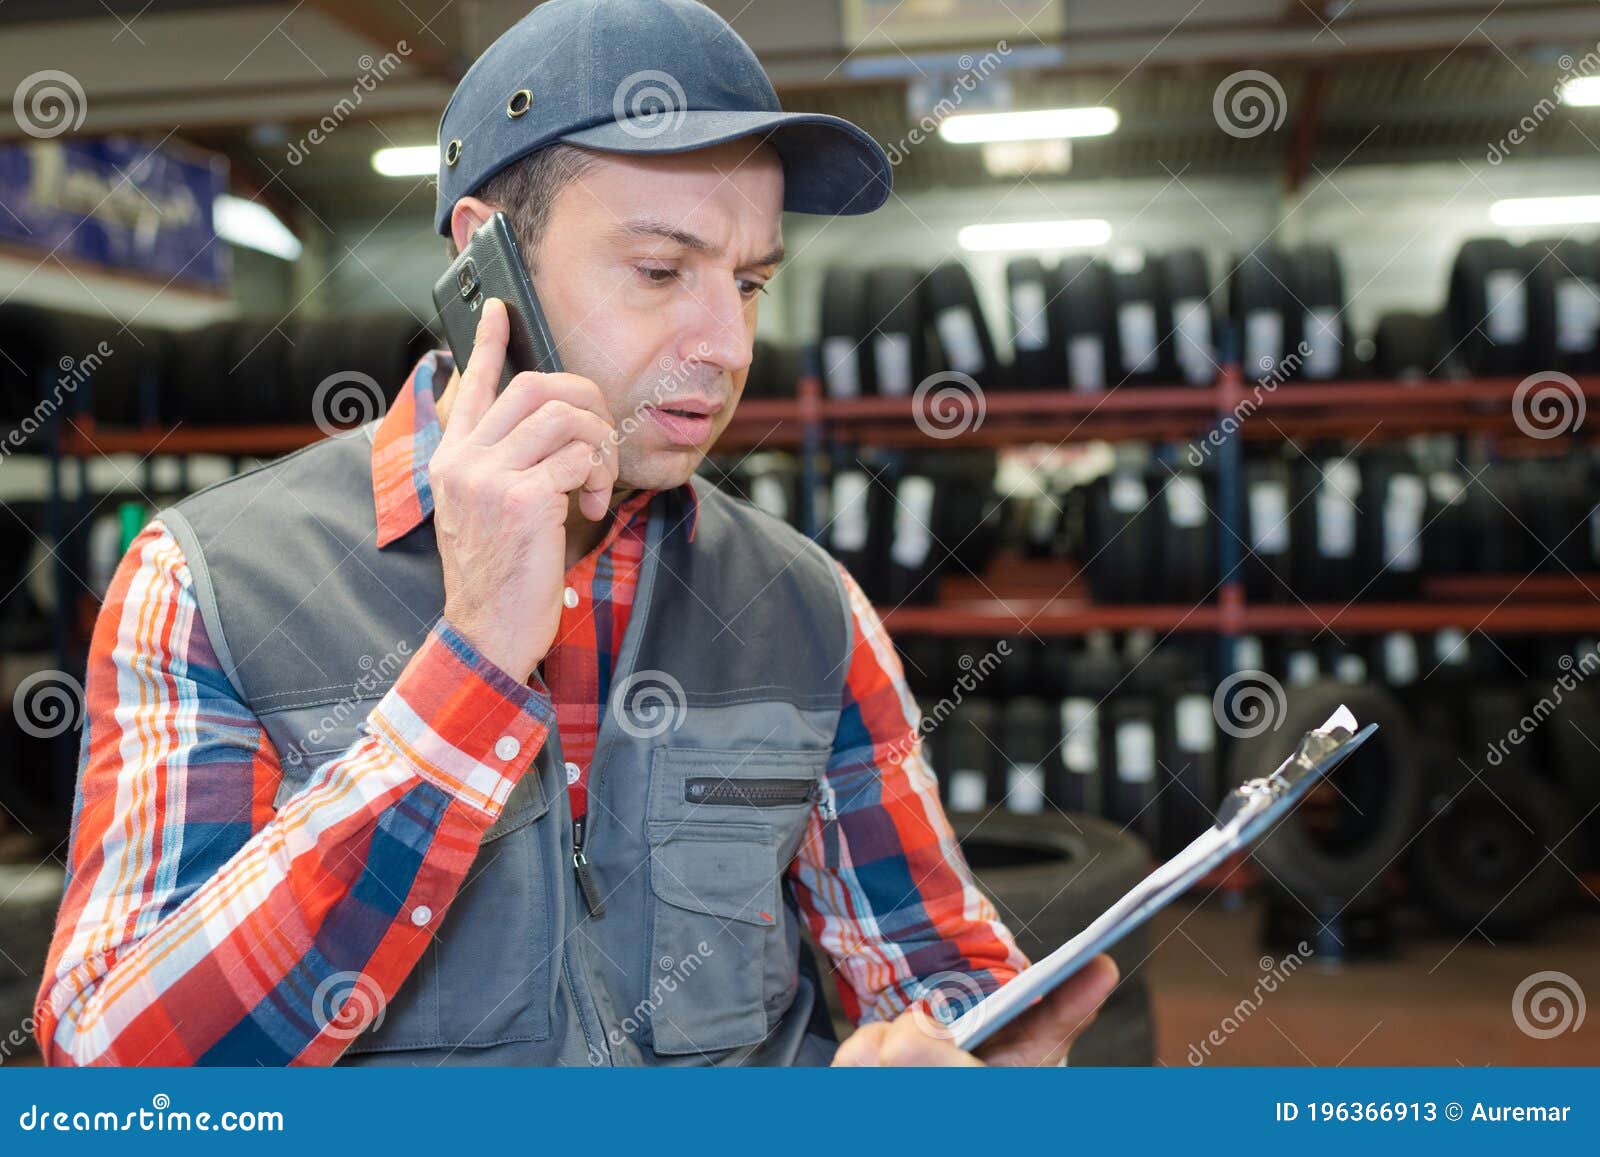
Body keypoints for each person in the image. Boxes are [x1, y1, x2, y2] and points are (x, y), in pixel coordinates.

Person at [36, 0, 1118, 1067]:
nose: (728, 343)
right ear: (486, 258)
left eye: (749, 282)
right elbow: (113, 1066)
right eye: (659, 271)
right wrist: (466, 667)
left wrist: (975, 1053)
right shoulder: (211, 583)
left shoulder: (803, 604)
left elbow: (936, 968)